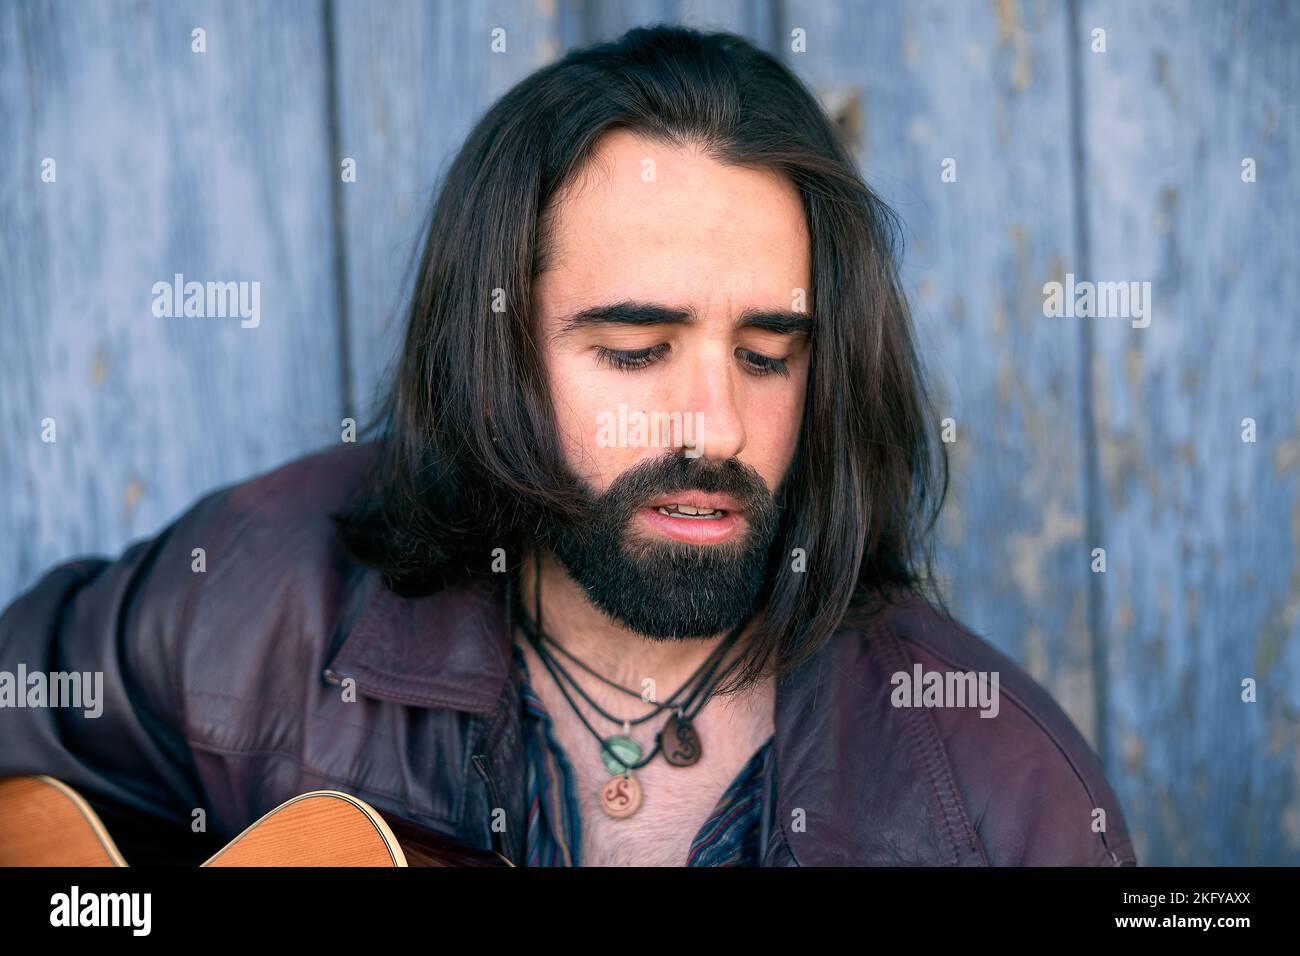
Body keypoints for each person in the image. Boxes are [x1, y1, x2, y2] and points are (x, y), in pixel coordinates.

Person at [0, 24, 1135, 867]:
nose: (714, 427)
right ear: (494, 352)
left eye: (767, 353)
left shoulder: (995, 795)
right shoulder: (256, 602)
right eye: (637, 348)